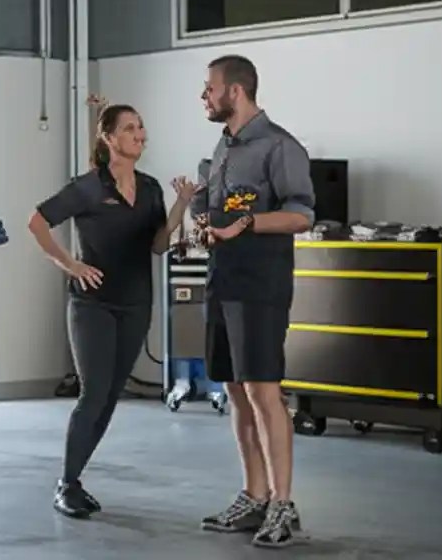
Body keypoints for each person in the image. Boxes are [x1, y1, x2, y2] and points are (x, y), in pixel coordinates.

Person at [28, 99, 197, 519]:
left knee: (108, 397)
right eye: (129, 128)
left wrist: (181, 206)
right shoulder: (88, 187)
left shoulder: (152, 187)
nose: (139, 135)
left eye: (141, 128)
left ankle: (74, 480)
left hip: (136, 303)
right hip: (92, 305)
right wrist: (71, 263)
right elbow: (36, 222)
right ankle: (67, 484)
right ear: (108, 137)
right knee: (93, 393)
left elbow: (157, 246)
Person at [190, 55, 315, 549]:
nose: (204, 97)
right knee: (236, 392)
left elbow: (302, 215)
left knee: (264, 393)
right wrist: (203, 219)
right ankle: (255, 495)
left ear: (235, 92)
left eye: (209, 88)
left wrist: (245, 225)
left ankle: (284, 505)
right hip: (223, 281)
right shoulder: (224, 147)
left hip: (261, 287)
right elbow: (220, 208)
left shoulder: (280, 147)